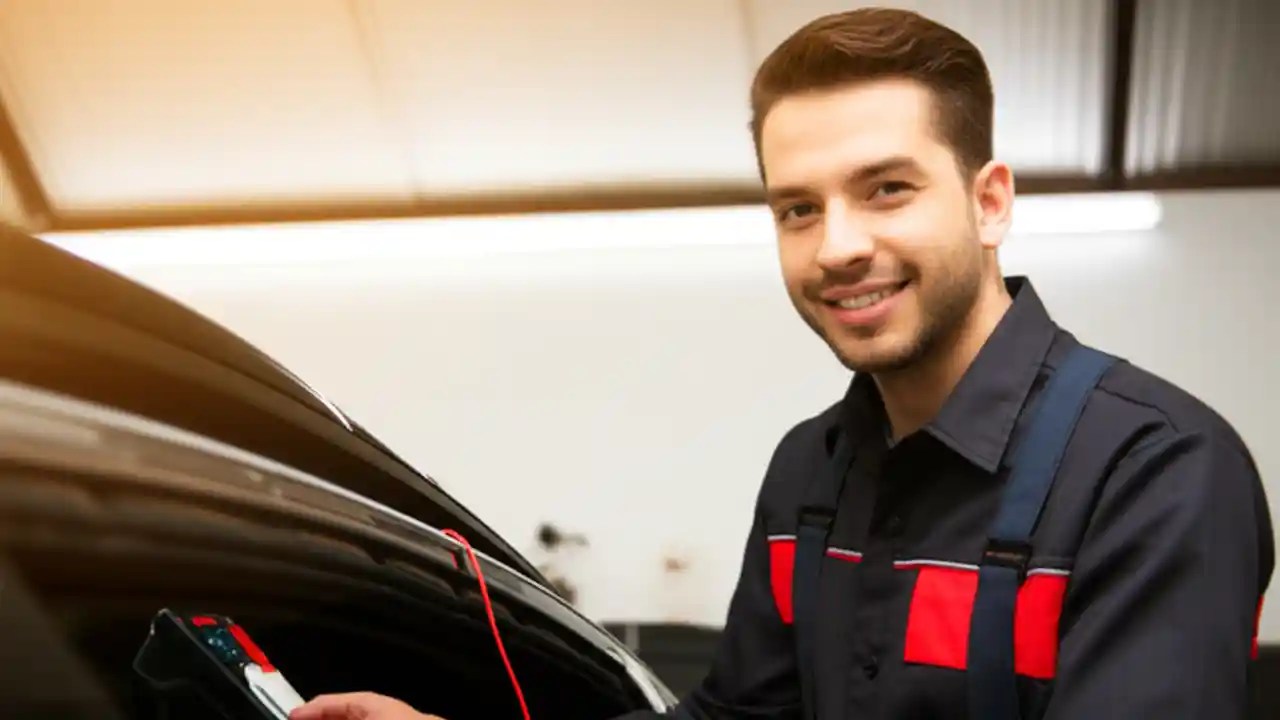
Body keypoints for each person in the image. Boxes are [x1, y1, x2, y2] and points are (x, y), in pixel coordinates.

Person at [291, 7, 1273, 720]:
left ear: (988, 203)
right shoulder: (811, 471)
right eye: (798, 208)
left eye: (885, 189)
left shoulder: (1155, 472)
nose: (835, 246)